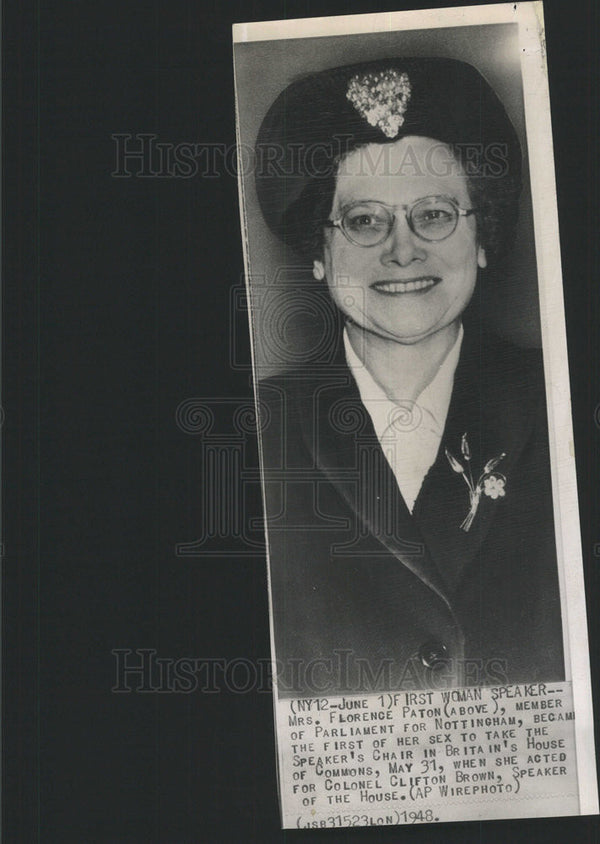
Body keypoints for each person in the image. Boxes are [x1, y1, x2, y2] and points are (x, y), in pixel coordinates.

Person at [252, 58, 564, 697]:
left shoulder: (562, 404)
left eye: (434, 214)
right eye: (365, 220)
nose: (403, 249)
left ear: (483, 237)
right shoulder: (254, 431)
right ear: (319, 251)